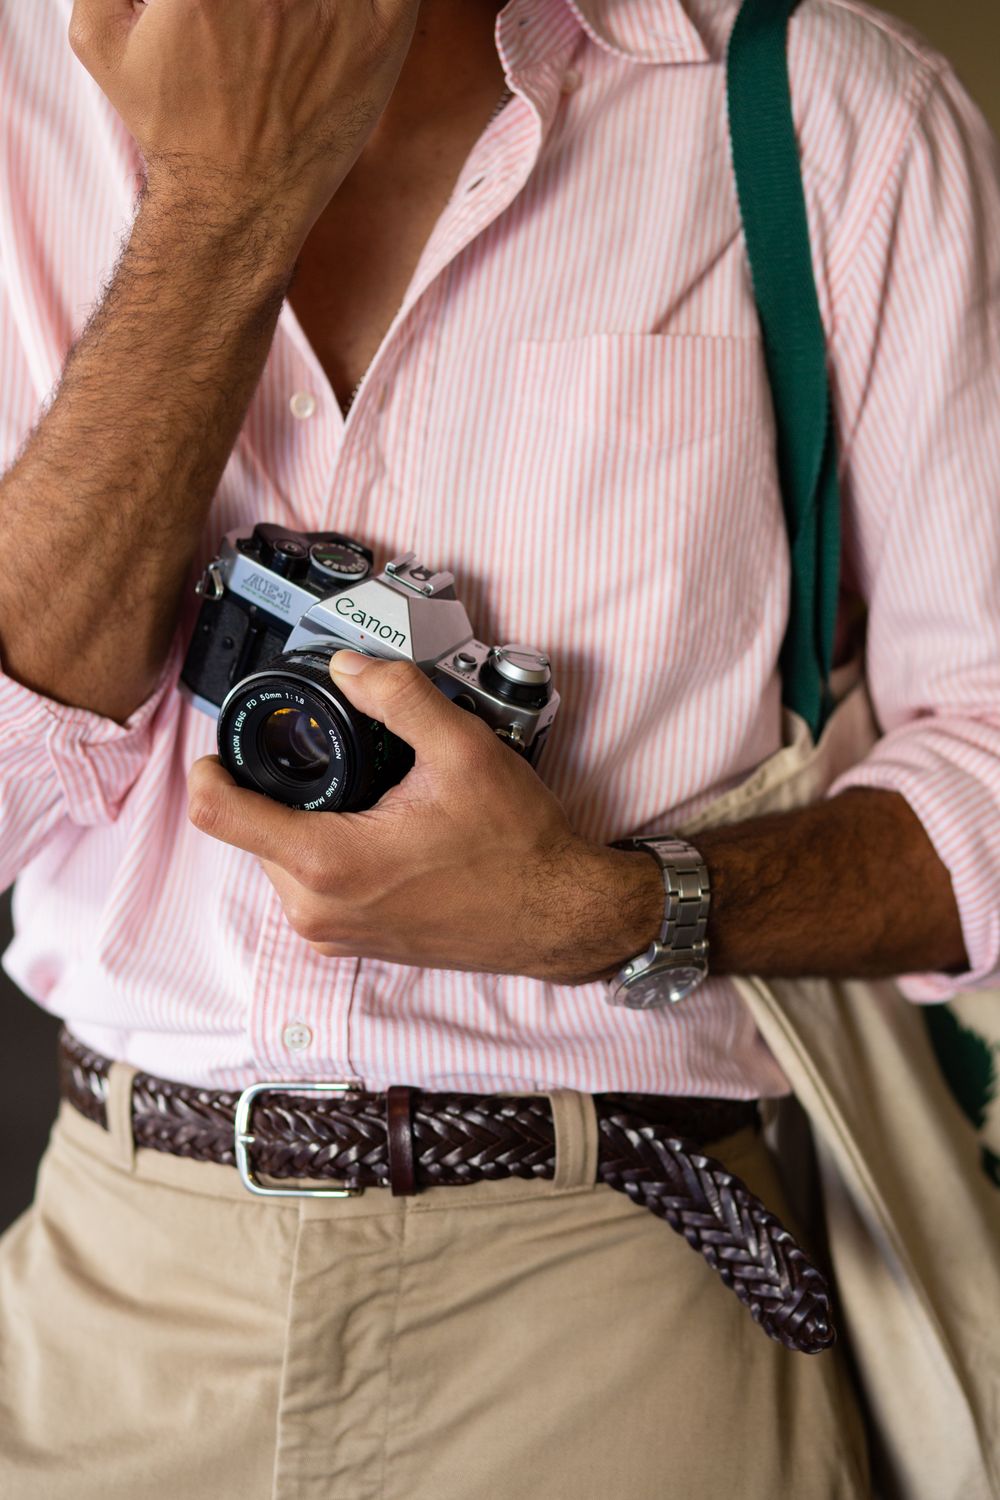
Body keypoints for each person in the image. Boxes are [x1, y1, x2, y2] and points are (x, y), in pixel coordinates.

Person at [0, 0, 997, 1495]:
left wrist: (616, 910)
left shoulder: (821, 116)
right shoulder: (22, 97)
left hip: (619, 1288)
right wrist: (222, 204)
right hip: (114, 1296)